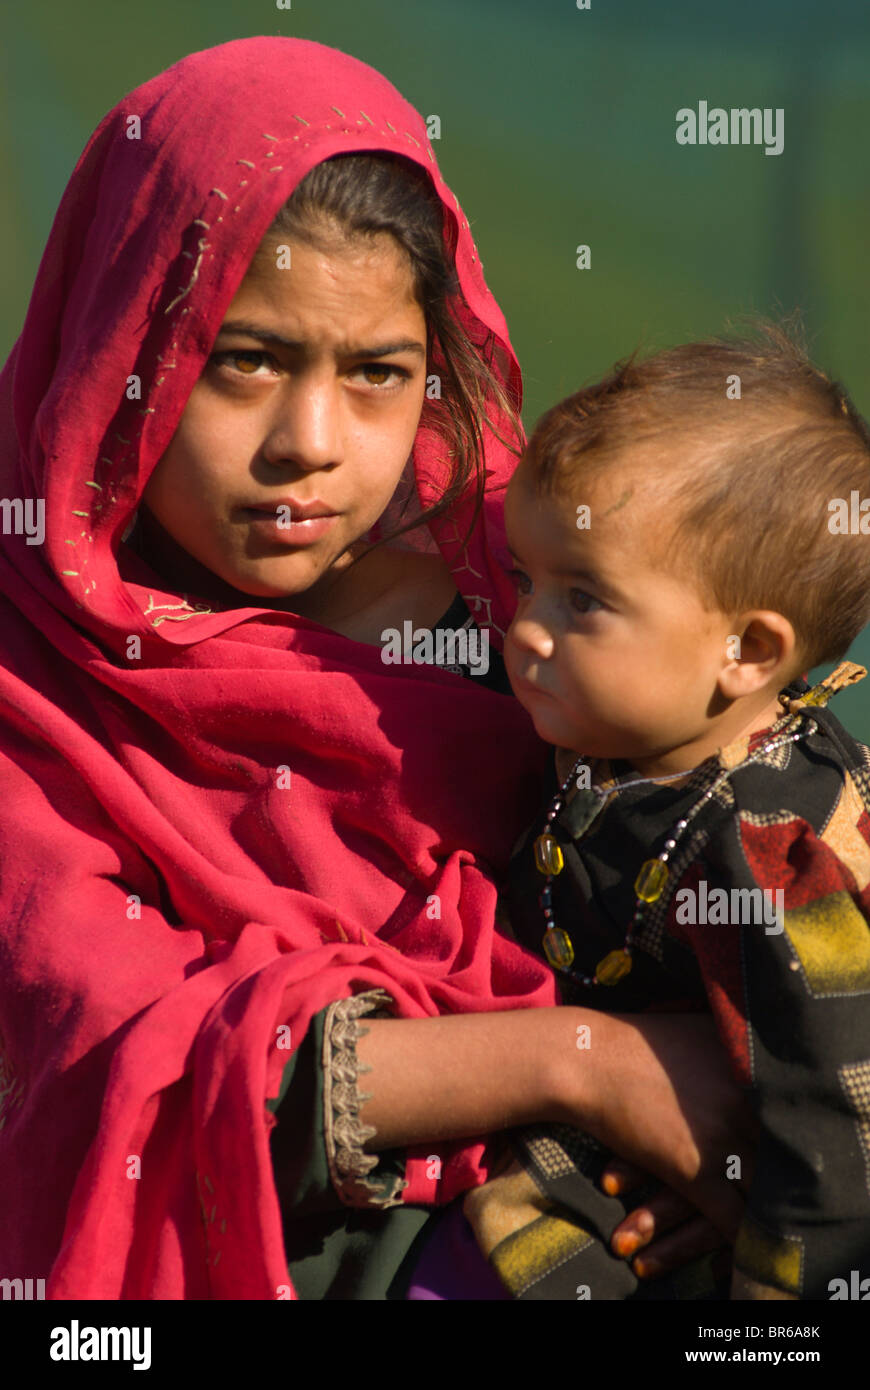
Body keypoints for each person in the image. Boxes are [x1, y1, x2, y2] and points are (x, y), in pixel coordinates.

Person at [0, 36, 749, 1300]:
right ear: (125, 341)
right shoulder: (37, 664)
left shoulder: (527, 572)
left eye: (377, 375)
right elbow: (145, 1070)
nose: (311, 445)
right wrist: (596, 1065)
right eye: (242, 360)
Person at [422, 325, 870, 1301]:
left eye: (584, 600)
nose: (524, 624)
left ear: (749, 653)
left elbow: (837, 1148)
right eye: (527, 578)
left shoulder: (774, 865)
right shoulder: (623, 736)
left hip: (670, 1231)